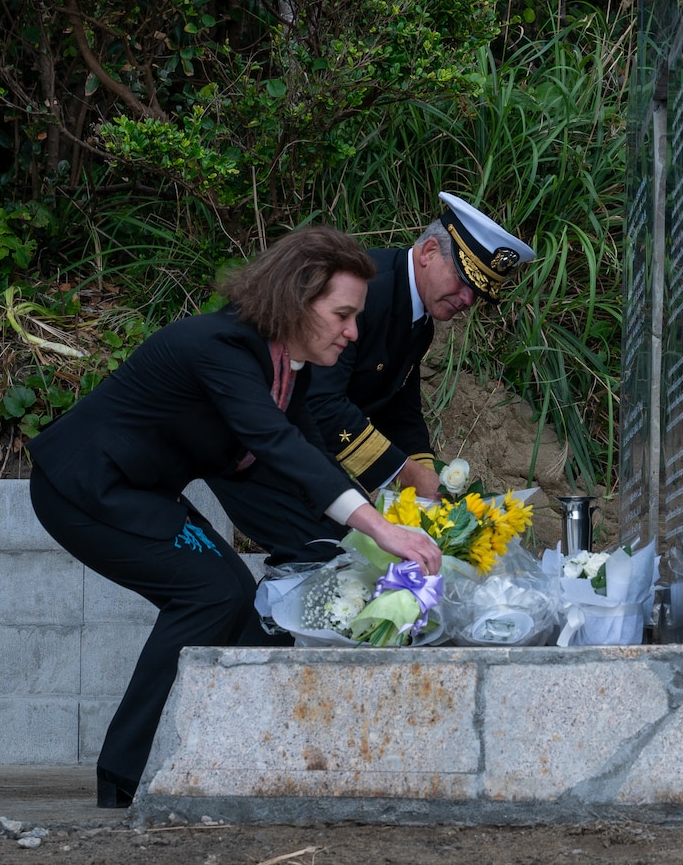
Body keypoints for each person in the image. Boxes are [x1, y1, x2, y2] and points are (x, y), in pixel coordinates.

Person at [26, 226, 441, 809]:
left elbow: (311, 455)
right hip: (82, 488)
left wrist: (370, 532)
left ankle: (235, 760)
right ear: (296, 301)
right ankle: (125, 777)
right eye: (343, 315)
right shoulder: (219, 347)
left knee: (240, 600)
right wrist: (379, 529)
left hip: (142, 492)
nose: (353, 333)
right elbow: (275, 443)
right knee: (209, 596)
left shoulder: (285, 365)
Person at [206, 191, 535, 569]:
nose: (467, 300)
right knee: (323, 552)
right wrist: (404, 472)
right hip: (249, 442)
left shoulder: (418, 315)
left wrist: (427, 477)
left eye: (477, 292)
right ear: (429, 251)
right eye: (463, 280)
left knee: (341, 549)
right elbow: (320, 401)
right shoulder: (366, 291)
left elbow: (400, 408)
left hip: (299, 445)